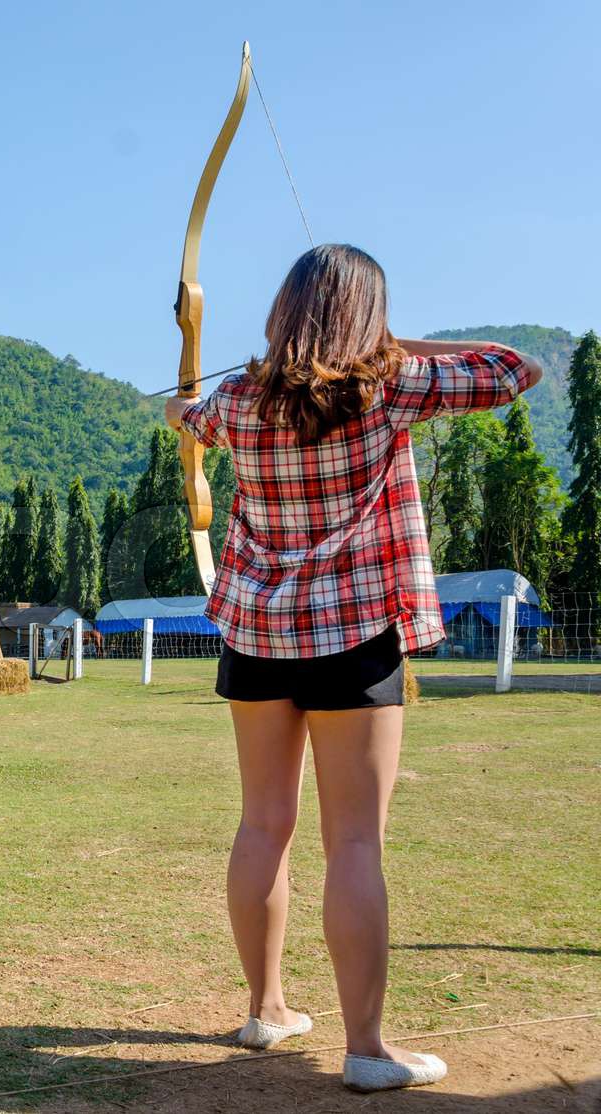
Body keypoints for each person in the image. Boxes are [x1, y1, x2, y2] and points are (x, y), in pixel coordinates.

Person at [165, 244, 540, 1093]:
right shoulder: (391, 385)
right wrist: (398, 348)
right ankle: (367, 1049)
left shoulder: (238, 401)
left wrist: (190, 393)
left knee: (263, 825)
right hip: (355, 632)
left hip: (257, 635)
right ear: (368, 317)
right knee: (356, 841)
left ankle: (266, 1009)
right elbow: (518, 368)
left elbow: (187, 415)